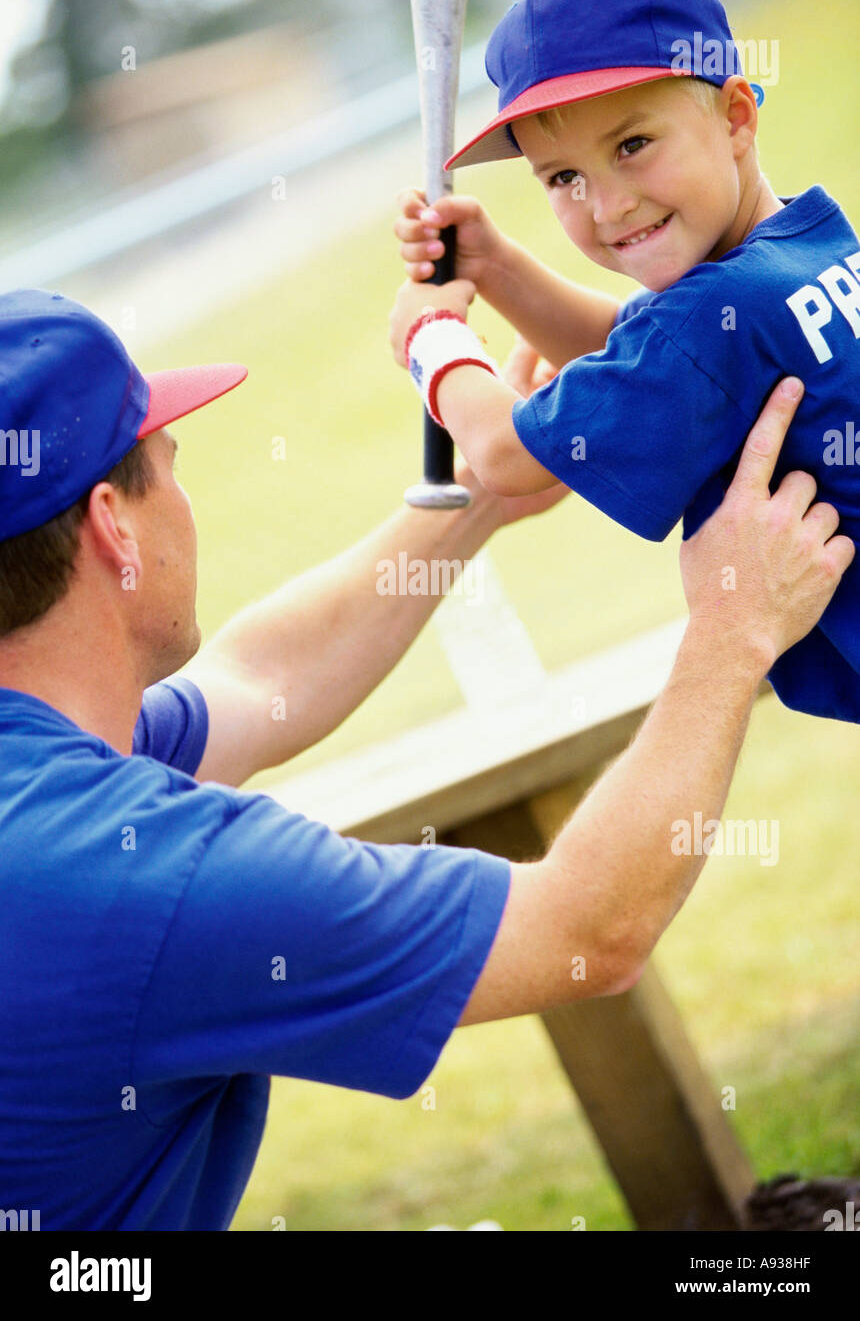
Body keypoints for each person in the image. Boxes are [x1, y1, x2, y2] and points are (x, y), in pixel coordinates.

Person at [0, 288, 851, 1231]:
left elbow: (262, 677)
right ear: (115, 525)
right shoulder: (149, 879)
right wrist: (733, 635)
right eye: (173, 467)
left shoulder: (46, 764)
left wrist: (487, 488)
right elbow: (583, 934)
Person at [389, 0, 860, 724]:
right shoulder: (807, 248)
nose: (606, 207)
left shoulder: (718, 314)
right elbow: (642, 351)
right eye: (562, 178)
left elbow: (507, 458)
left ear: (736, 115)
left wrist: (430, 338)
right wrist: (497, 268)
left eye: (633, 144)